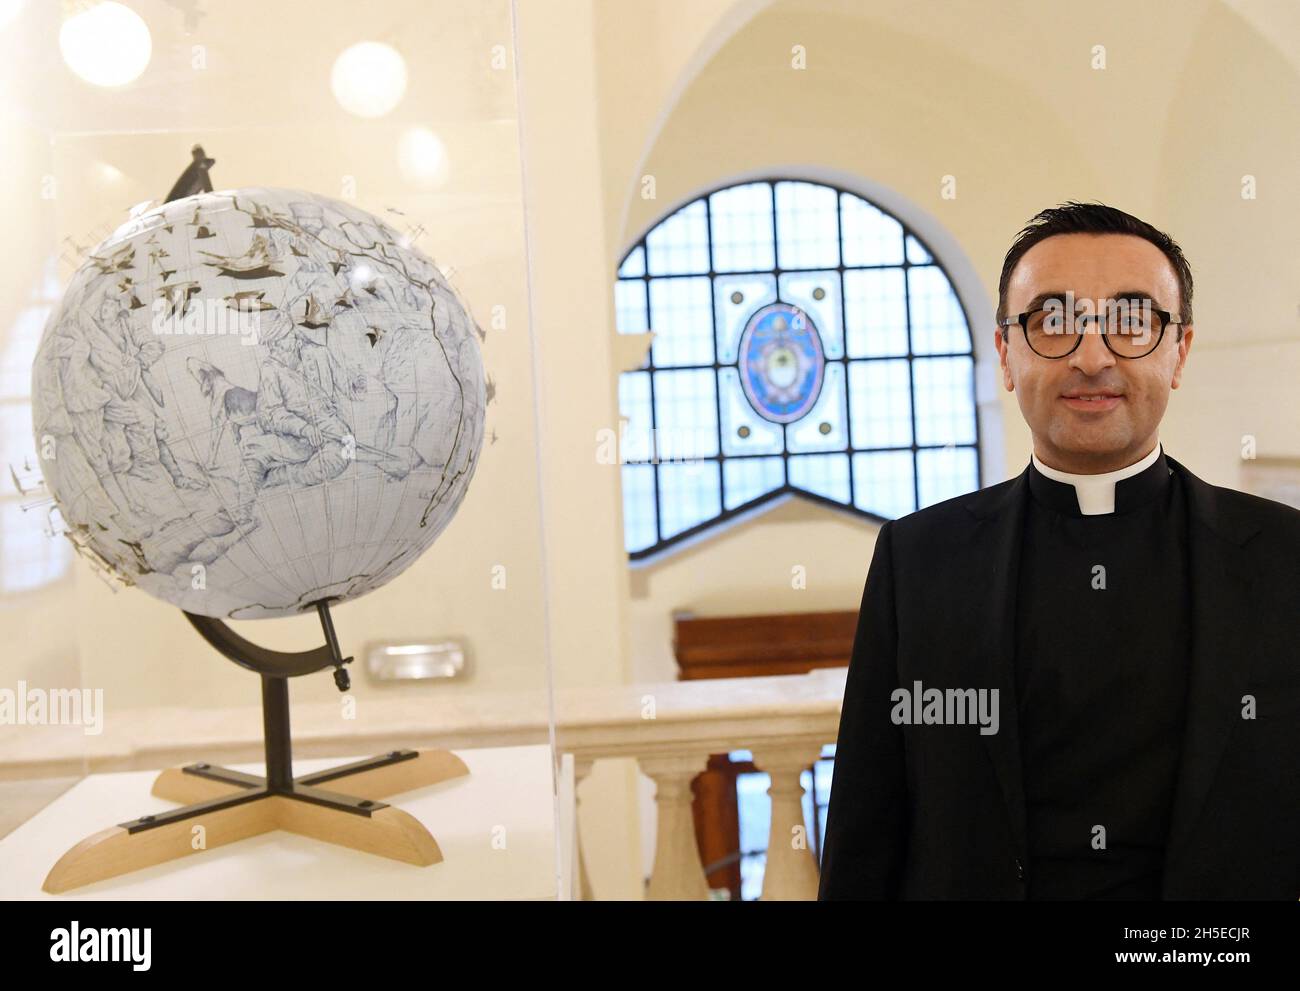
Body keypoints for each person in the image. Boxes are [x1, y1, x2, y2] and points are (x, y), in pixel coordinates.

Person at [818, 201, 1299, 900]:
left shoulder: (1282, 559)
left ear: (1180, 352)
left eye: (1132, 321)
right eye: (1053, 322)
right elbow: (866, 827)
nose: (1093, 356)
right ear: (1006, 354)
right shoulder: (919, 560)